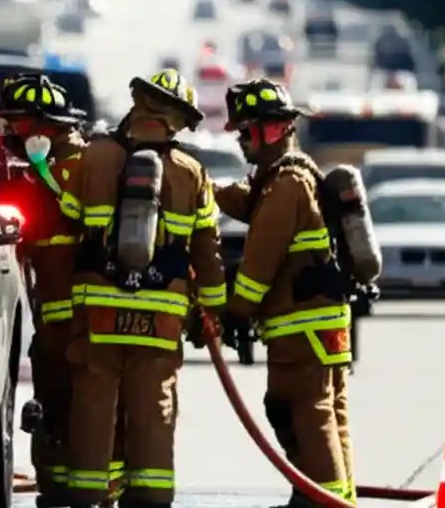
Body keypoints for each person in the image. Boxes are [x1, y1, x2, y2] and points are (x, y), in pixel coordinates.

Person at [65, 68, 227, 508]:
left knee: (95, 398)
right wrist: (212, 311)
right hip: (160, 312)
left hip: (96, 305)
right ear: (177, 119)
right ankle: (151, 494)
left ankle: (87, 492)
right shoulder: (191, 172)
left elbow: (66, 224)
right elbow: (207, 253)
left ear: (138, 102)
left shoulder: (93, 157)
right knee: (153, 403)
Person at [213, 78, 356, 506]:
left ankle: (321, 500)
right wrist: (206, 189)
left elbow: (260, 261)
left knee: (297, 408)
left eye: (245, 133)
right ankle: (334, 494)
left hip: (300, 324)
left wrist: (237, 313)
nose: (241, 142)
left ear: (270, 131)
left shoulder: (285, 187)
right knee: (329, 410)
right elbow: (249, 201)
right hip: (324, 319)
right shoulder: (296, 176)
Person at [0, 72, 89, 507]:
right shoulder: (37, 171)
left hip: (81, 319)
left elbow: (76, 215)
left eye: (19, 126)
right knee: (51, 400)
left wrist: (42, 171)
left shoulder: (81, 169)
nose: (11, 135)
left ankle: (81, 485)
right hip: (52, 318)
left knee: (78, 399)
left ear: (45, 127)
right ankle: (55, 486)